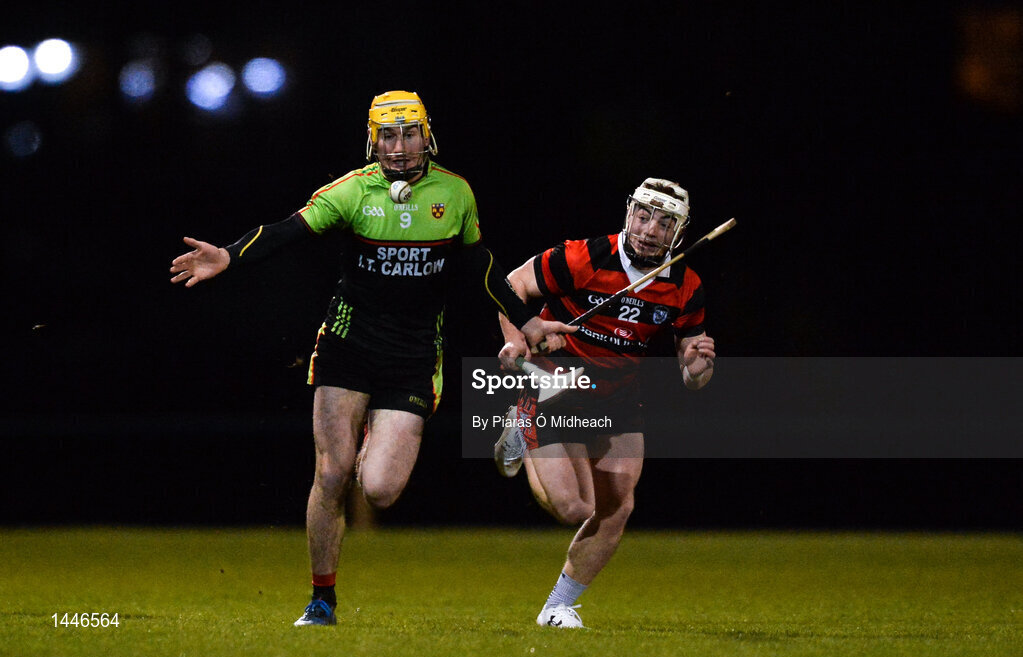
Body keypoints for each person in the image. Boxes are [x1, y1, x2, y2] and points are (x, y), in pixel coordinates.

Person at [169, 90, 574, 627]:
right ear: (372, 140)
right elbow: (288, 231)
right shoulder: (353, 191)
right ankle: (321, 600)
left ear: (426, 136)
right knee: (332, 471)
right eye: (388, 135)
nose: (399, 146)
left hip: (413, 357)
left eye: (408, 134)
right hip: (347, 347)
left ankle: (369, 440)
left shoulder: (454, 194)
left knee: (380, 490)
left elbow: (480, 268)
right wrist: (229, 255)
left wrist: (527, 323)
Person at [494, 178, 717, 629]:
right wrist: (518, 339)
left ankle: (557, 607)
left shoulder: (685, 285)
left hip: (618, 399)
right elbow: (511, 285)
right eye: (644, 216)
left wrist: (697, 369)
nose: (650, 230)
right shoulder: (584, 257)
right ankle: (519, 422)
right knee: (572, 508)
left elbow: (693, 369)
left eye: (664, 222)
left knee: (617, 508)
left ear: (679, 232)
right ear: (629, 213)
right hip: (554, 387)